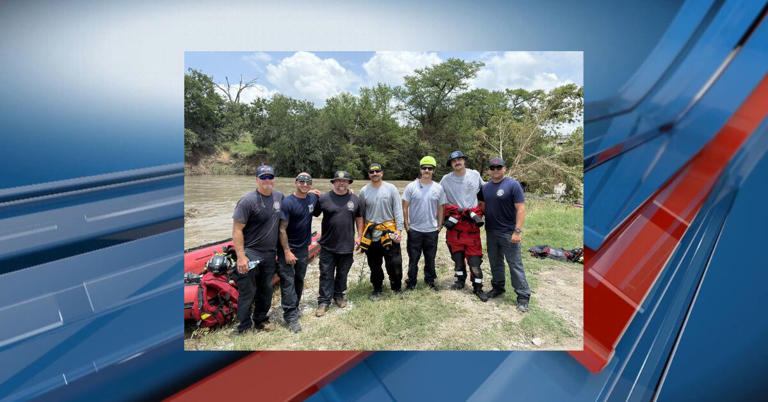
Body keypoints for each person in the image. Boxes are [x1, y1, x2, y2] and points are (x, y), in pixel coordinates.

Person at [231, 165, 284, 334]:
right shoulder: (247, 201)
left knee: (266, 289)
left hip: (270, 254)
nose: (267, 181)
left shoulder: (279, 197)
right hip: (250, 253)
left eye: (270, 177)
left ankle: (261, 319)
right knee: (248, 292)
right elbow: (237, 230)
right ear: (257, 180)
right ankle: (244, 326)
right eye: (263, 177)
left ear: (274, 179)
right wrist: (240, 256)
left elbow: (294, 202)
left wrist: (309, 193)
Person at [481, 157, 531, 312]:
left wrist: (517, 230)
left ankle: (523, 296)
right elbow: (482, 207)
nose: (495, 170)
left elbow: (521, 209)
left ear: (504, 168)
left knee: (514, 264)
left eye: (499, 167)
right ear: (489, 170)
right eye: (492, 167)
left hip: (509, 232)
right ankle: (498, 287)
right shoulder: (485, 188)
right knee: (495, 262)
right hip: (491, 231)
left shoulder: (513, 185)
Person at [439, 151, 489, 302]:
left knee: (474, 260)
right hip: (455, 225)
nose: (457, 162)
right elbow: (438, 197)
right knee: (457, 257)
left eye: (460, 159)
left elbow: (485, 193)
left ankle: (478, 287)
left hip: (472, 224)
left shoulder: (474, 175)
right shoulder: (446, 180)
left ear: (464, 161)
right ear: (451, 164)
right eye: (454, 161)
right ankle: (460, 280)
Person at [313, 170, 364, 317]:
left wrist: (359, 236)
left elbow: (359, 218)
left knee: (343, 273)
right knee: (326, 274)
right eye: (338, 181)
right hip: (328, 245)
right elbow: (311, 212)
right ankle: (323, 302)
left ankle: (339, 296)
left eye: (344, 181)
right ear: (334, 182)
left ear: (348, 183)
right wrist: (309, 193)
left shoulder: (355, 199)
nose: (341, 183)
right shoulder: (324, 198)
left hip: (347, 244)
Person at [277, 172, 319, 333]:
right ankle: (290, 317)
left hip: (303, 247)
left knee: (299, 278)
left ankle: (295, 307)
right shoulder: (288, 202)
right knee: (288, 281)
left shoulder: (311, 198)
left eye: (308, 182)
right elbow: (281, 229)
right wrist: (287, 251)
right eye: (301, 181)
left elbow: (319, 202)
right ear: (295, 182)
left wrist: (317, 194)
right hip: (287, 248)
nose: (305, 184)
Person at [358, 163, 405, 301]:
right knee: (374, 264)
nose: (375, 174)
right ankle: (377, 288)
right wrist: (360, 235)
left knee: (394, 263)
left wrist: (399, 230)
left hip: (389, 232)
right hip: (372, 234)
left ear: (382, 173)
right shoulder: (364, 191)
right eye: (372, 172)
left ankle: (396, 288)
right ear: (369, 174)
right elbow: (361, 214)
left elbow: (398, 210)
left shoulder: (391, 189)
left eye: (377, 171)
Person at [402, 156, 446, 292]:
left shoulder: (438, 188)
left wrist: (439, 225)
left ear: (433, 170)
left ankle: (430, 281)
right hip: (415, 230)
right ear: (420, 169)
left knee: (430, 258)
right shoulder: (411, 187)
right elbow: (404, 206)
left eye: (430, 168)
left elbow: (441, 207)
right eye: (424, 168)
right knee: (413, 259)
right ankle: (411, 282)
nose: (426, 170)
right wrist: (407, 225)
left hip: (431, 230)